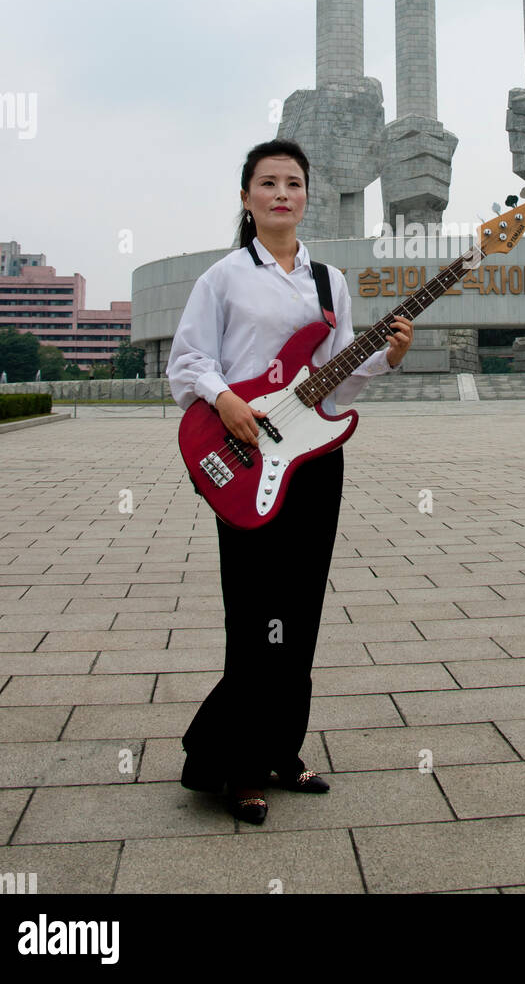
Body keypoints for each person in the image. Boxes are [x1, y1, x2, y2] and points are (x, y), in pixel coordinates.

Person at [165, 138, 414, 822]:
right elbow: (188, 361)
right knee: (253, 613)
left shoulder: (330, 282)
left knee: (298, 611)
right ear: (246, 197)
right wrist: (224, 400)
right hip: (241, 450)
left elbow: (337, 376)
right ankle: (232, 765)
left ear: (307, 196)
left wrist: (387, 357)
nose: (282, 193)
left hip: (313, 461)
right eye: (268, 183)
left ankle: (280, 751)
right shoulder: (222, 278)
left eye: (293, 183)